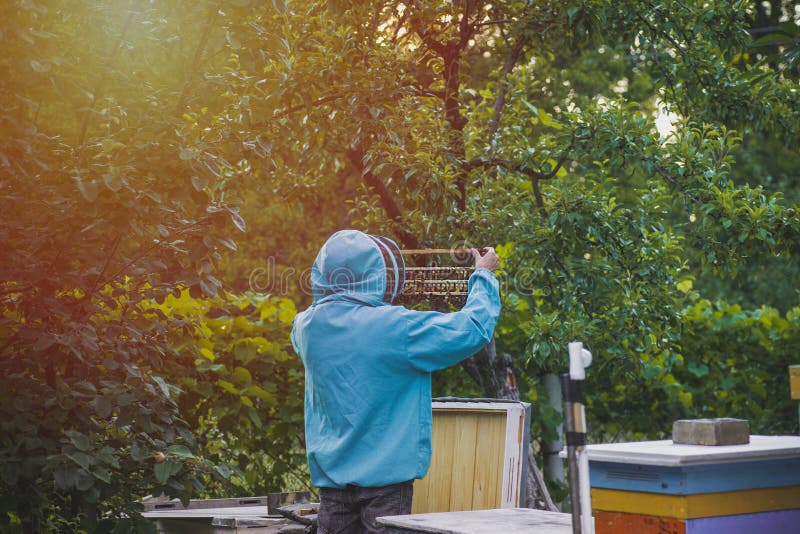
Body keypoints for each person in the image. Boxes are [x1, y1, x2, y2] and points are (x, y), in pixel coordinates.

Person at [291, 229, 501, 534]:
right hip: (386, 492)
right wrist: (483, 276)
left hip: (332, 491)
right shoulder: (395, 328)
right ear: (375, 274)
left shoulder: (306, 327)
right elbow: (473, 327)